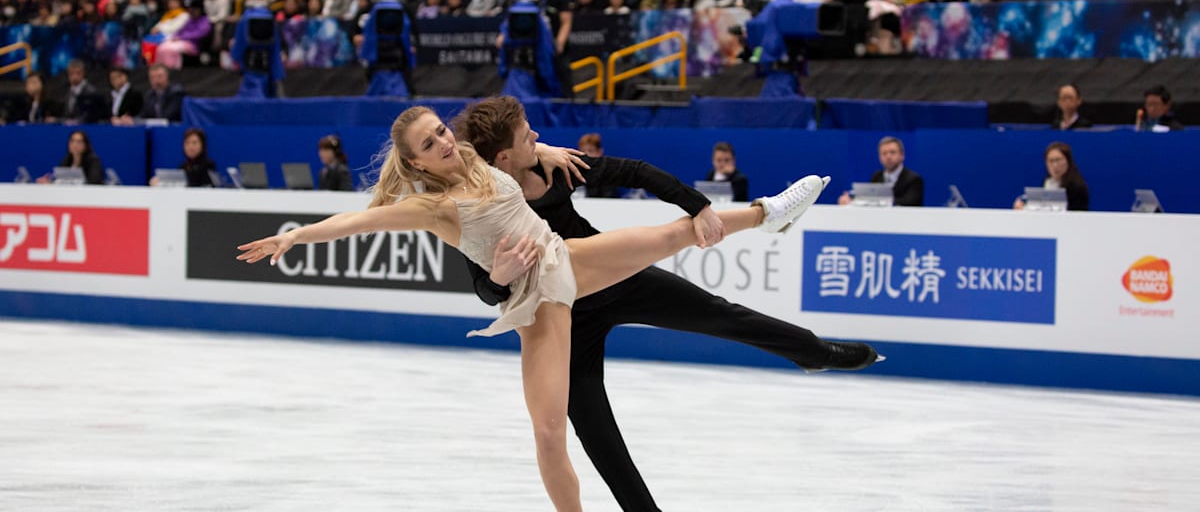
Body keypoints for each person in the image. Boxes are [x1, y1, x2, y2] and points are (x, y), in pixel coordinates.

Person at [236, 106, 842, 512]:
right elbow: (357, 221)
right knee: (551, 432)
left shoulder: (473, 154)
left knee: (670, 235)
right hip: (531, 301)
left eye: (442, 131)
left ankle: (771, 211)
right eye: (430, 143)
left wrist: (546, 148)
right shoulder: (434, 207)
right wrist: (295, 236)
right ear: (416, 162)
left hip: (565, 258)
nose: (444, 142)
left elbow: (514, 146)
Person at [452, 97, 881, 511]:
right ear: (504, 159)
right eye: (528, 136)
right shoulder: (482, 211)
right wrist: (498, 278)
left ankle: (816, 352)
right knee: (600, 439)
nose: (539, 137)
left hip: (616, 276)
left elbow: (636, 172)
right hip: (563, 323)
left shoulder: (555, 166)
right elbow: (487, 289)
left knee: (719, 313)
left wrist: (698, 206)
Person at [838, 136, 925, 207]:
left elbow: (910, 202)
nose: (888, 156)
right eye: (884, 153)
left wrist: (881, 202)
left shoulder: (914, 179)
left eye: (892, 152)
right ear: (880, 157)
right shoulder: (877, 176)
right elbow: (869, 199)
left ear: (902, 155)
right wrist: (852, 201)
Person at [1014, 141, 1089, 211]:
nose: (1055, 165)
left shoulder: (1077, 187)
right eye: (1051, 161)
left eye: (1058, 160)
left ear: (1068, 161)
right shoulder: (1048, 182)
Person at [152, 127, 218, 187]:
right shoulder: (183, 166)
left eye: (194, 143)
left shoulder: (208, 165)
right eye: (187, 143)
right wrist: (161, 183)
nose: (190, 147)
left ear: (202, 145)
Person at [37, 130, 104, 185]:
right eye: (72, 141)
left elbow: (94, 182)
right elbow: (59, 180)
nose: (74, 145)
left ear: (85, 145)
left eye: (79, 142)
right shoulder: (67, 160)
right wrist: (49, 182)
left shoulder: (93, 161)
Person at [575, 133, 619, 198]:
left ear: (599, 152)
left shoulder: (608, 174)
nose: (586, 155)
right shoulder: (575, 173)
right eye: (582, 151)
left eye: (590, 151)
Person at [61, 59, 104, 124]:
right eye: (71, 73)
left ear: (83, 73)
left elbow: (91, 115)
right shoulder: (65, 90)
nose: (74, 77)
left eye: (78, 73)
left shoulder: (91, 91)